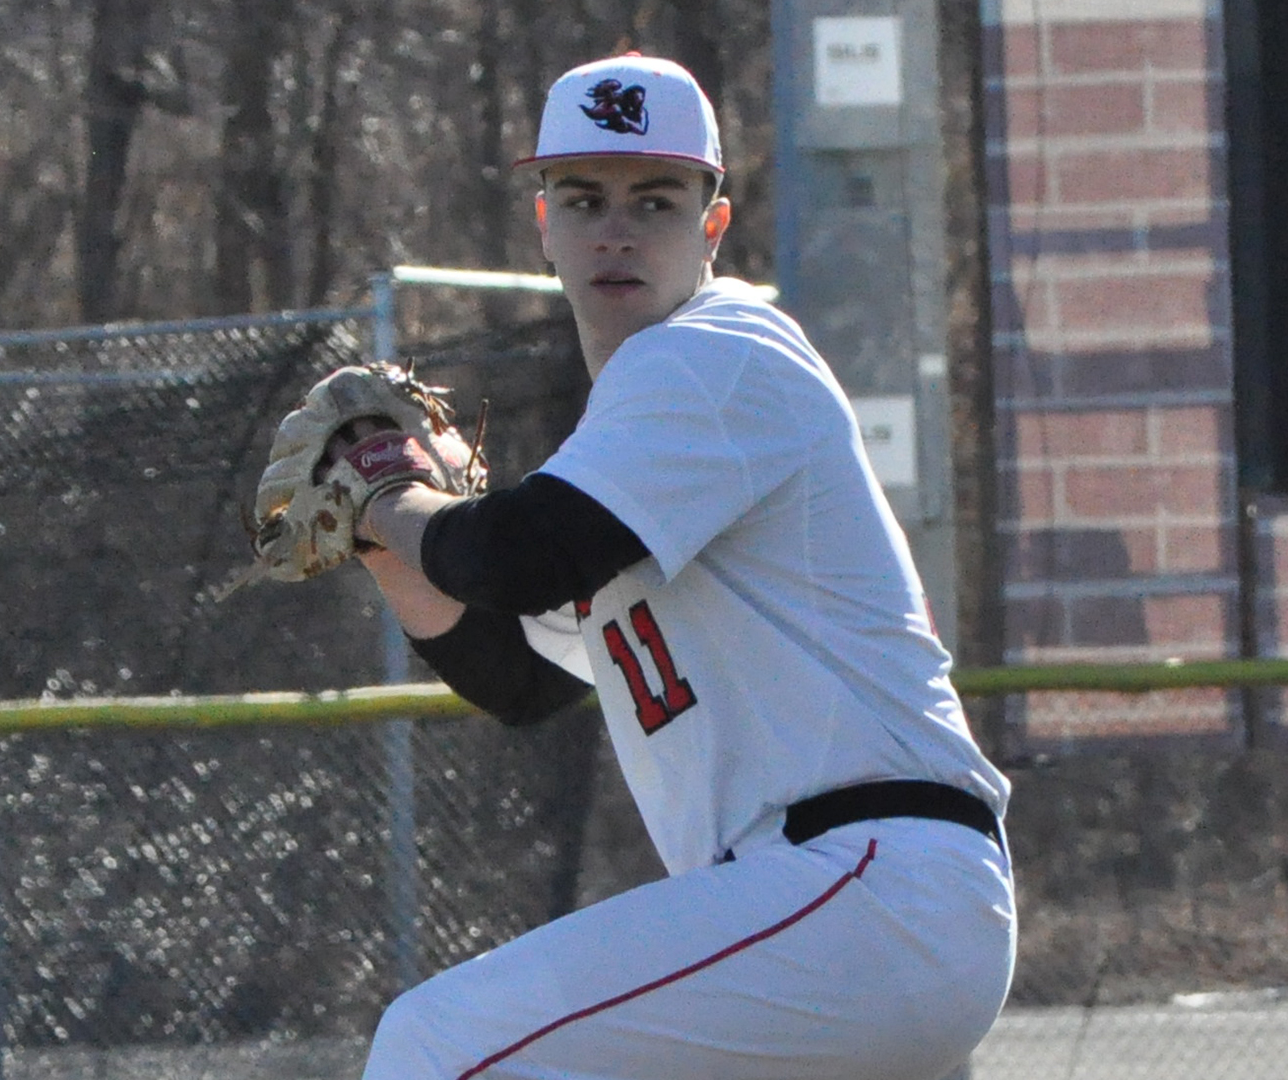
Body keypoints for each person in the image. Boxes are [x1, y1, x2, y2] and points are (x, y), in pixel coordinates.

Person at [345, 53, 1015, 1080]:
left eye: (654, 200)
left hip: (864, 884)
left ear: (712, 226)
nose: (616, 228)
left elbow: (515, 555)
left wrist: (388, 488)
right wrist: (390, 555)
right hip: (836, 914)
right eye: (585, 198)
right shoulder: (633, 445)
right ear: (545, 224)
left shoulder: (715, 351)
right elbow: (524, 678)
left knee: (439, 1043)